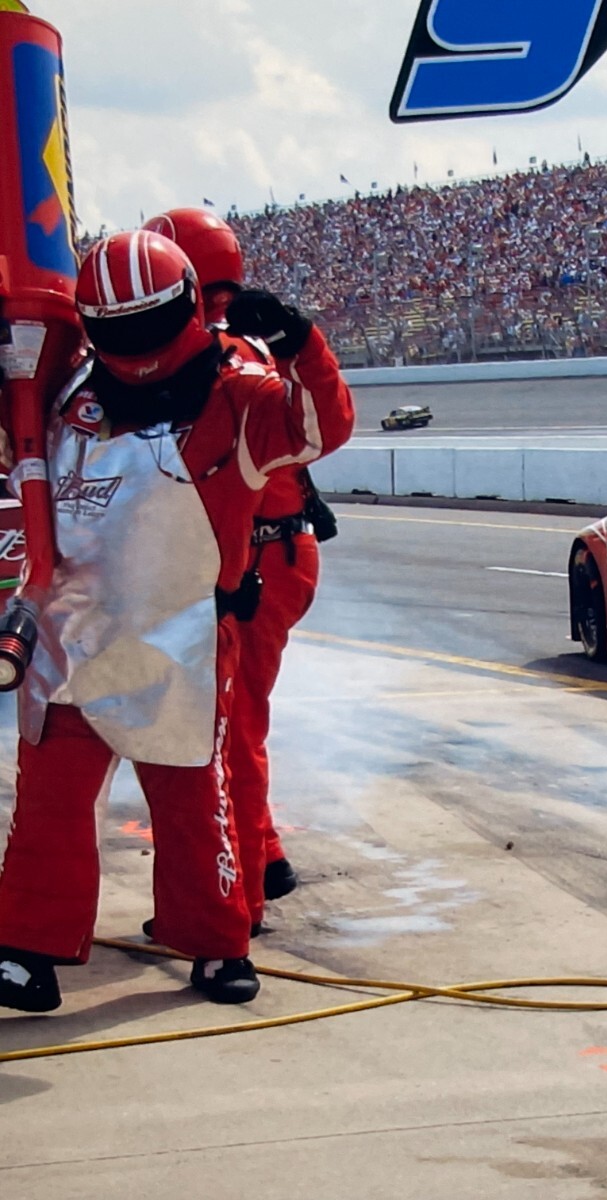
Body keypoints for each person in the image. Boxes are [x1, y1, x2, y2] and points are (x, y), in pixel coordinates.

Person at [0, 230, 353, 1011]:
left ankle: (218, 944)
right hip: (69, 638)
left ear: (186, 305)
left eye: (147, 325)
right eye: (116, 330)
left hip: (180, 640)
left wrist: (301, 346)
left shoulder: (237, 388)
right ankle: (27, 949)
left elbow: (319, 431)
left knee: (195, 805)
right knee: (50, 805)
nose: (138, 349)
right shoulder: (62, 391)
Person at [146, 208, 329, 930]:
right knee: (236, 725)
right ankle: (268, 856)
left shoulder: (209, 357)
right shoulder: (257, 342)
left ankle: (239, 898)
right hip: (282, 550)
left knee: (227, 734)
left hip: (249, 560)